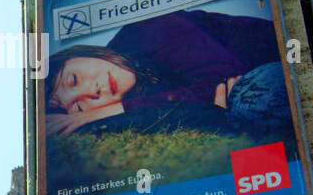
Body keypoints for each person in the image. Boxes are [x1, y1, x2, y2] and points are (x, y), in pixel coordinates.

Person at [45, 8, 290, 141]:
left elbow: (226, 81)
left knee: (246, 99)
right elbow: (208, 103)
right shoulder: (141, 105)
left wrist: (109, 111)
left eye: (74, 79)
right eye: (79, 109)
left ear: (79, 54)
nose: (92, 92)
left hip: (289, 58)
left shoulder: (144, 31)